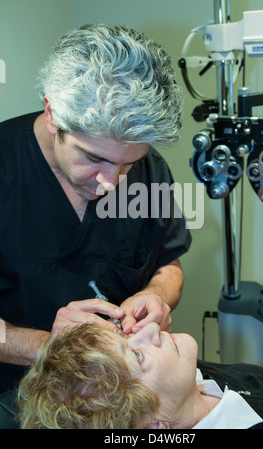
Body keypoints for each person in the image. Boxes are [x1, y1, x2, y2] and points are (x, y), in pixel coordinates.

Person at [0, 24, 192, 393]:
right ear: (53, 113)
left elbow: (169, 263)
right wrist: (46, 346)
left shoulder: (151, 171)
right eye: (94, 157)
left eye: (127, 164)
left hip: (114, 391)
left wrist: (157, 295)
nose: (111, 183)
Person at [16, 321, 263, 429]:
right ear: (152, 426)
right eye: (137, 355)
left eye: (124, 335)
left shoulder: (188, 379)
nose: (149, 328)